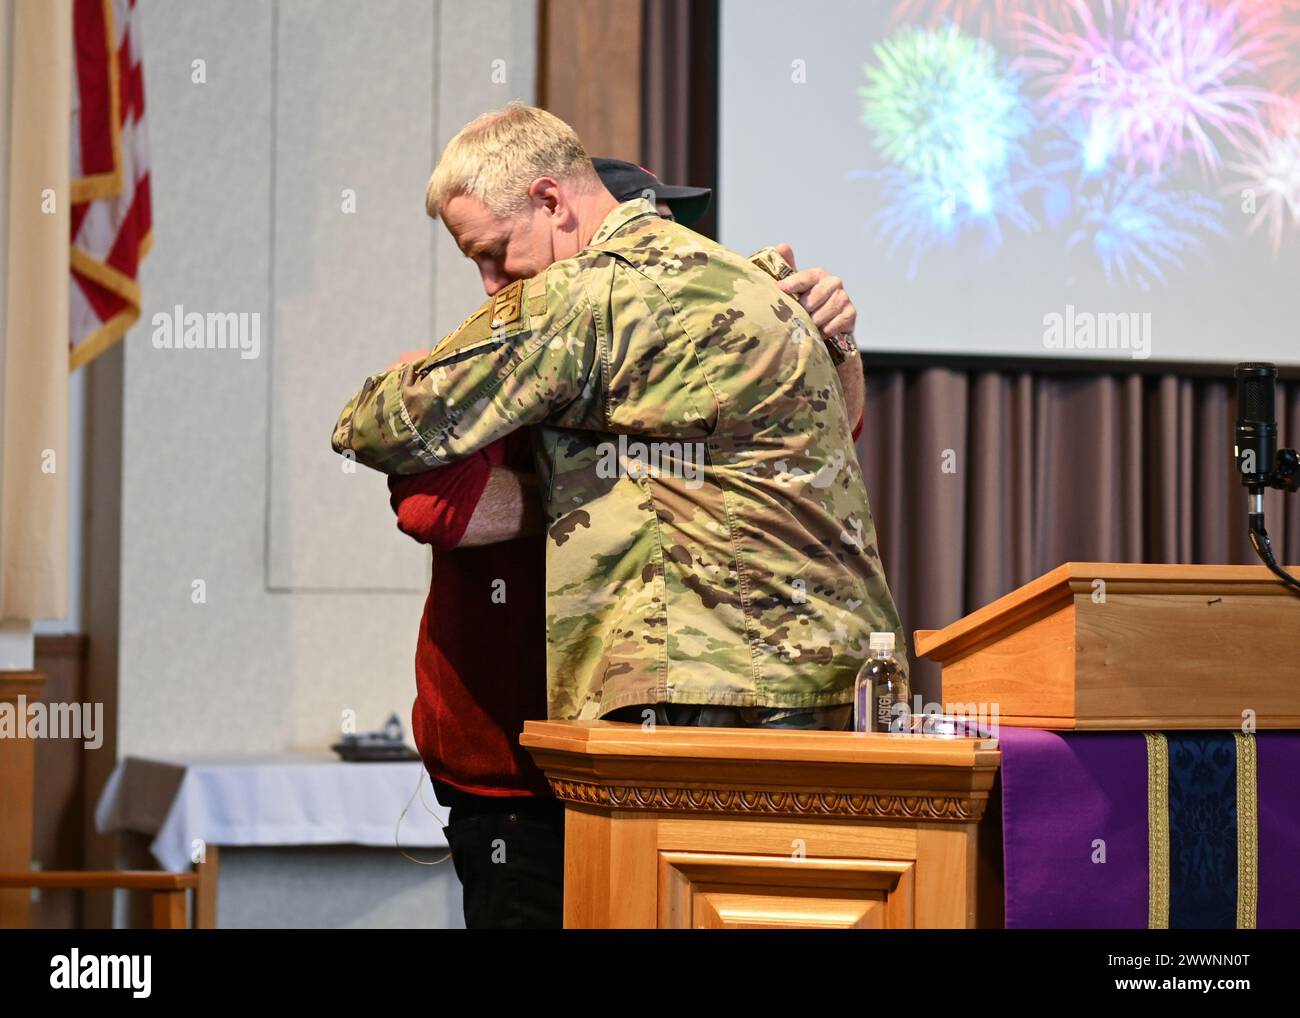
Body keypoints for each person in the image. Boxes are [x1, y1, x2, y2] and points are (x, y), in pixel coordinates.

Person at [338, 103, 906, 926]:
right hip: (733, 720)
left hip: (675, 720)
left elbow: (374, 424)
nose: (492, 284)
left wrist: (836, 341)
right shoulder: (712, 296)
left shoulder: (585, 303)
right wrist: (616, 483)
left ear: (554, 203)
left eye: (495, 255)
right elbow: (436, 504)